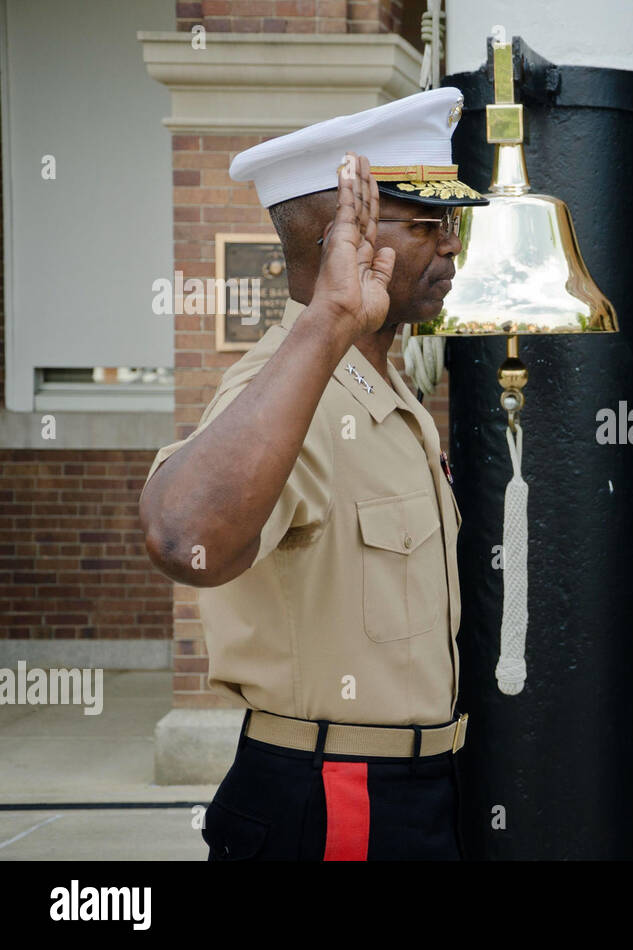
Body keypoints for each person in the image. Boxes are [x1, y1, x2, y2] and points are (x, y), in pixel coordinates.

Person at [138, 88, 488, 860]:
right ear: (341, 240)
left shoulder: (385, 384)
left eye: (452, 224)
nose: (452, 247)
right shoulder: (288, 388)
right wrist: (329, 317)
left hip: (416, 789)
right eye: (427, 225)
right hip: (336, 797)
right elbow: (183, 535)